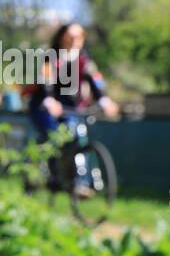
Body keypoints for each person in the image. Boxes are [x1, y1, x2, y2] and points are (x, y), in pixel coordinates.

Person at [24, 21, 119, 192]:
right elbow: (46, 80)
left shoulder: (84, 59)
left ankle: (80, 181)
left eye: (80, 36)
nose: (76, 40)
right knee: (53, 135)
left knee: (77, 133)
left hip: (69, 108)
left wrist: (104, 100)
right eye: (71, 36)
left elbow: (95, 80)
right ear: (62, 37)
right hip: (43, 106)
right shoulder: (51, 56)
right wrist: (49, 100)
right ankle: (47, 174)